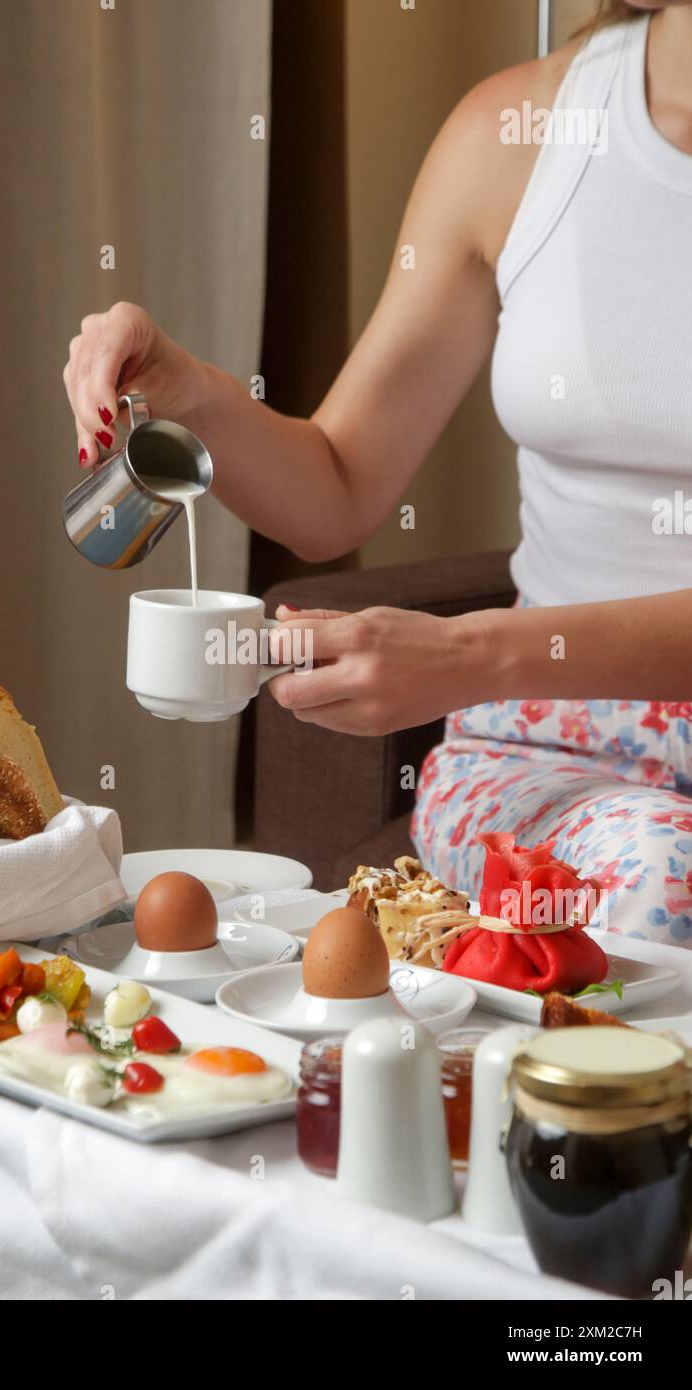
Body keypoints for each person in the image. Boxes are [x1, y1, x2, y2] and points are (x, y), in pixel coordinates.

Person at [63, 0, 692, 943]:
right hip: (542, 755)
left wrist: (471, 656)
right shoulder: (513, 135)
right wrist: (193, 393)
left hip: (509, 681)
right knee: (659, 876)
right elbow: (337, 490)